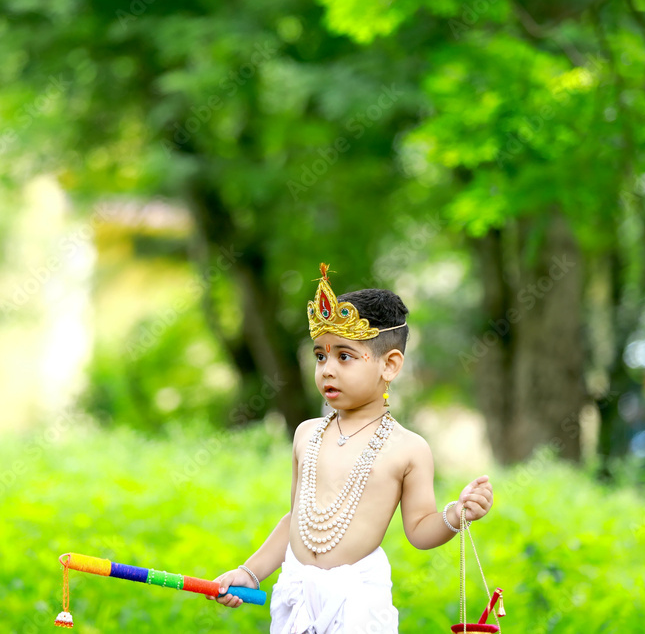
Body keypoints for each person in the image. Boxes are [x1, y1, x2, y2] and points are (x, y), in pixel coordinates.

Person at [208, 263, 495, 633]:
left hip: (356, 602)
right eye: (320, 356)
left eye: (344, 356)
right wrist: (250, 571)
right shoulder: (307, 434)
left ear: (389, 365)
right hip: (297, 594)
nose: (327, 369)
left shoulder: (407, 448)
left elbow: (420, 530)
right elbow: (296, 519)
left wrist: (456, 515)